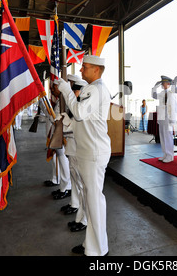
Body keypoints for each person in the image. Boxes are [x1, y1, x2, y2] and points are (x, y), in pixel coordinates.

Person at [55, 55, 111, 256]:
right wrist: (66, 122)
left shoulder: (95, 89)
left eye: (84, 67)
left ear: (96, 70)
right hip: (88, 150)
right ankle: (92, 246)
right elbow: (83, 120)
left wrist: (66, 90)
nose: (81, 70)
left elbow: (78, 112)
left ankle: (98, 249)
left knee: (94, 201)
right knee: (90, 199)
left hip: (93, 152)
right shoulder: (92, 89)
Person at [58, 75, 88, 232]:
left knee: (82, 187)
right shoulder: (75, 106)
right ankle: (78, 213)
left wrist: (63, 124)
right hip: (72, 149)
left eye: (74, 90)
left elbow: (74, 129)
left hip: (79, 150)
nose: (73, 93)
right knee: (76, 183)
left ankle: (84, 220)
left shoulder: (81, 108)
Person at [151, 75, 177, 163]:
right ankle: (165, 154)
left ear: (169, 84)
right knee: (162, 136)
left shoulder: (172, 93)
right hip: (162, 117)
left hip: (168, 118)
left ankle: (170, 155)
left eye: (164, 83)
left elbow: (175, 107)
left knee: (168, 137)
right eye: (162, 83)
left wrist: (173, 120)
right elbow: (154, 95)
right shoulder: (162, 93)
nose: (162, 84)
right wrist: (155, 87)